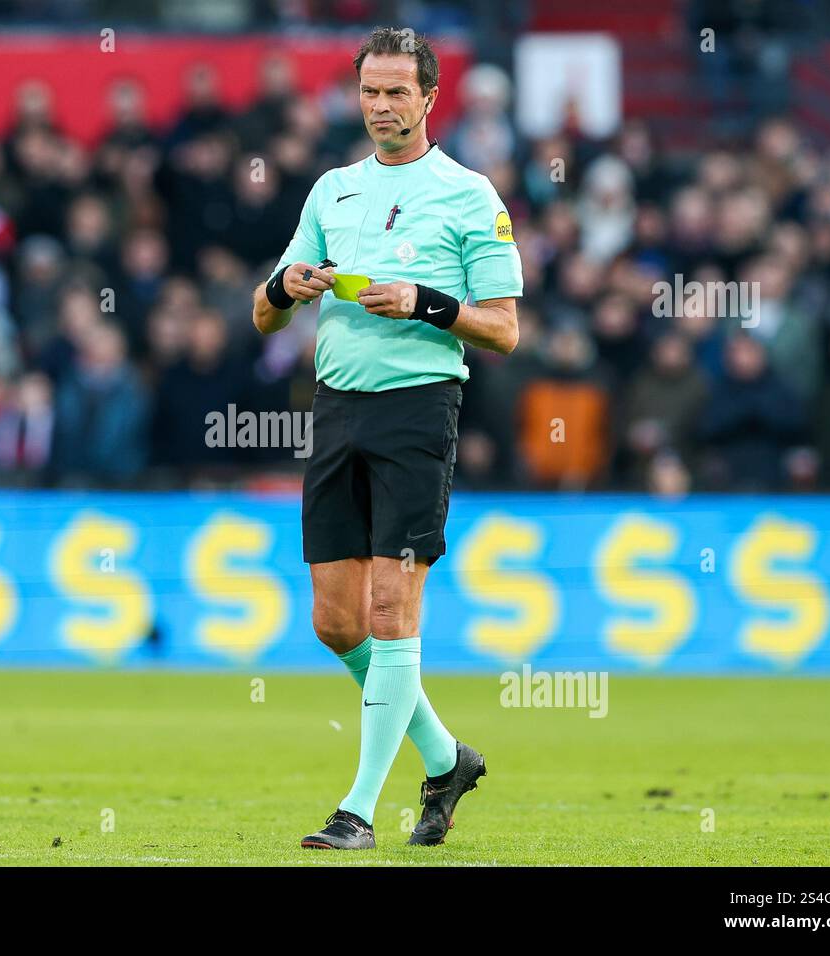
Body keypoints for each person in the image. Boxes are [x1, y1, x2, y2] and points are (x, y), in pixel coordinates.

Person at [251, 27, 521, 849]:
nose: (380, 105)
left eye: (398, 91)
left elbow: (505, 330)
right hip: (335, 409)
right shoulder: (331, 190)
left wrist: (427, 302)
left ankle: (359, 810)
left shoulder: (470, 194)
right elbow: (263, 313)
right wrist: (283, 286)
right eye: (370, 90)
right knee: (336, 622)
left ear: (431, 99)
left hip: (416, 412)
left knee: (392, 607)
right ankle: (446, 759)